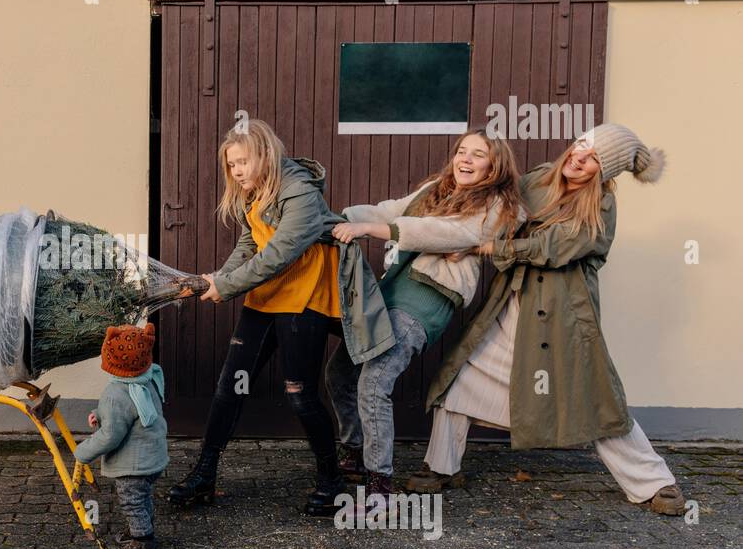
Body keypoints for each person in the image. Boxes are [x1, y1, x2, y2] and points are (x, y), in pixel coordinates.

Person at [422, 123, 686, 515]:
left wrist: (489, 247)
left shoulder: (602, 206)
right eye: (582, 144)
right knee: (462, 376)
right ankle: (441, 467)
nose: (580, 157)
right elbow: (498, 208)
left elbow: (554, 247)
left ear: (604, 170)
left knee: (595, 396)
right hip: (515, 304)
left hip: (564, 315)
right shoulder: (537, 179)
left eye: (594, 157)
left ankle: (656, 482)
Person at [170, 118, 393, 511]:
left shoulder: (300, 192)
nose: (236, 171)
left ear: (265, 155)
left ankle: (333, 483)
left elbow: (278, 255)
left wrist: (230, 285)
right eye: (231, 165)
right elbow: (250, 243)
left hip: (304, 296)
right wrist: (220, 277)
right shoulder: (253, 193)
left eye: (242, 162)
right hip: (268, 295)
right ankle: (204, 474)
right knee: (230, 385)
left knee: (299, 392)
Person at [317, 129, 523, 513]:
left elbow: (449, 233)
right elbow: (389, 209)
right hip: (391, 289)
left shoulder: (496, 205)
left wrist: (376, 230)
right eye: (462, 151)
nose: (466, 159)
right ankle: (357, 451)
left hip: (427, 298)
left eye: (478, 155)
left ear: (494, 166)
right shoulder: (436, 188)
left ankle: (380, 488)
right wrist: (335, 218)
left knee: (374, 380)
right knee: (339, 374)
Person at [74, 323, 170, 549]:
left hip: (133, 465)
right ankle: (141, 529)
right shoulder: (149, 378)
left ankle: (144, 543)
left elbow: (110, 435)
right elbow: (129, 412)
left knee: (132, 500)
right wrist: (100, 413)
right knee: (143, 495)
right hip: (153, 457)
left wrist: (83, 451)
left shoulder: (115, 393)